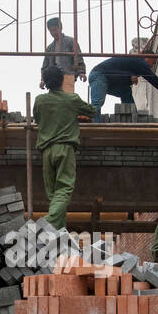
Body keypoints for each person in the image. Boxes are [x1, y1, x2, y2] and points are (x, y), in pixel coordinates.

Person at [33, 65, 95, 230]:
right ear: (61, 81)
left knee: (53, 194)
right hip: (65, 148)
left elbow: (38, 120)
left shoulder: (40, 100)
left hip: (46, 151)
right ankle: (49, 222)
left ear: (45, 83)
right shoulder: (71, 99)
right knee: (64, 189)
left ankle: (57, 231)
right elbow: (92, 111)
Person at [88, 51, 158, 120]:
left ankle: (131, 119)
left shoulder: (133, 64)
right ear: (147, 57)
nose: (152, 66)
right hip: (98, 75)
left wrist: (127, 78)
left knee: (126, 92)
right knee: (97, 103)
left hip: (108, 79)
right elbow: (154, 79)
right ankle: (95, 124)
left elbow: (116, 75)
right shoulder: (139, 62)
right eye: (153, 62)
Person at [40, 17, 85, 87]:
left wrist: (81, 72)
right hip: (53, 79)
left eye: (55, 29)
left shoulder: (71, 41)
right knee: (54, 97)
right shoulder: (49, 48)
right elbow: (45, 66)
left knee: (67, 97)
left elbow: (78, 58)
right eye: (51, 30)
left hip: (67, 76)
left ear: (60, 28)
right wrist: (43, 80)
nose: (53, 33)